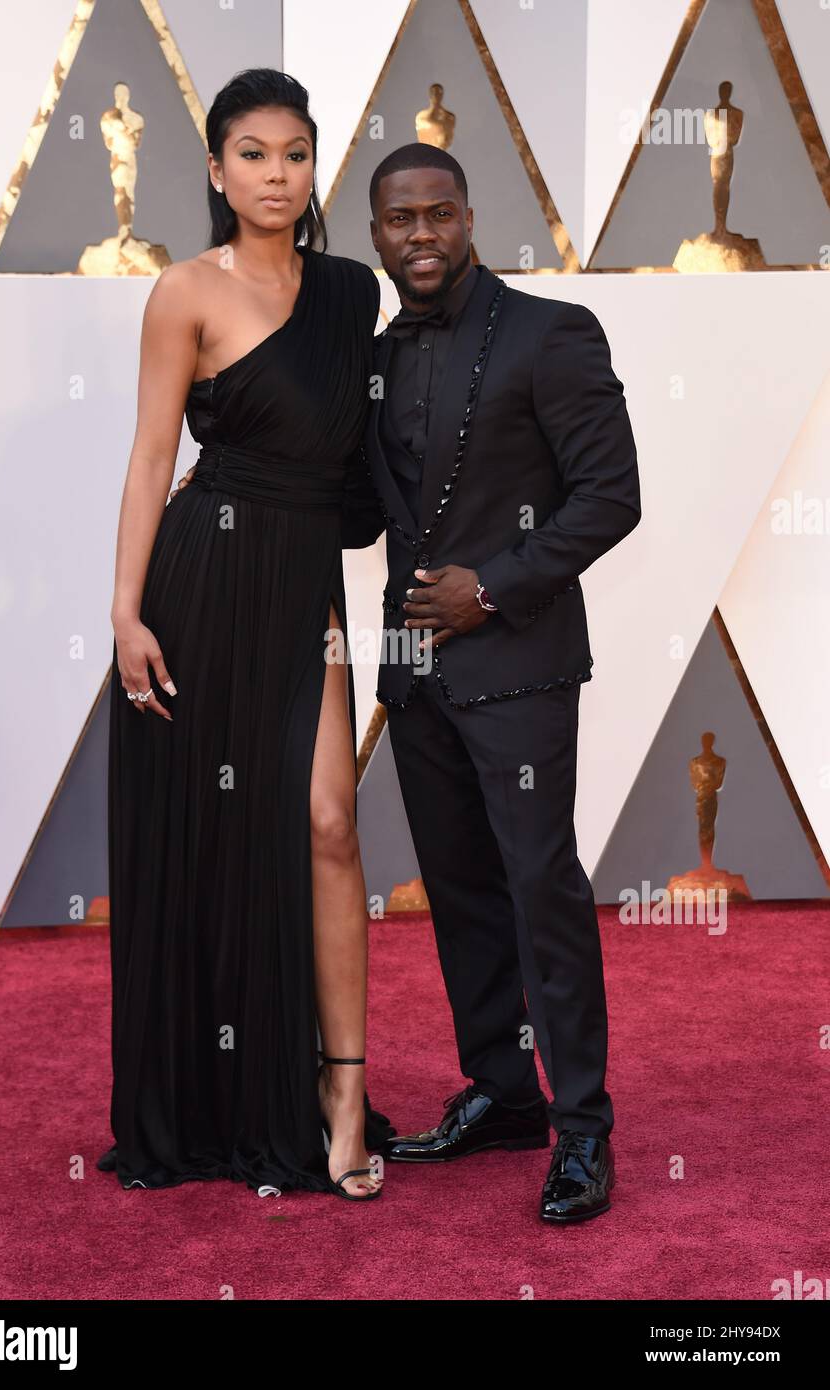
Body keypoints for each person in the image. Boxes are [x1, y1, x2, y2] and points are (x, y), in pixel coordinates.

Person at [97, 69, 394, 1202]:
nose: (278, 174)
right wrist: (126, 612)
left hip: (303, 584)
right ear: (218, 169)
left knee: (326, 823)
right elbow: (149, 458)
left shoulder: (350, 292)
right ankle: (215, 1095)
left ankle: (340, 1089)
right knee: (209, 838)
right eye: (254, 154)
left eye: (296, 153)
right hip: (203, 581)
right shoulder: (182, 290)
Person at [341, 144, 642, 1222]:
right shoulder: (375, 357)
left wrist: (496, 588)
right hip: (415, 670)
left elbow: (611, 496)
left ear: (468, 218)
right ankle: (504, 1092)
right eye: (397, 219)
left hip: (515, 664)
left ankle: (584, 1127)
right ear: (372, 233)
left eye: (438, 214)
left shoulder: (548, 332)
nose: (419, 234)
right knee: (460, 893)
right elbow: (364, 516)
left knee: (539, 890)